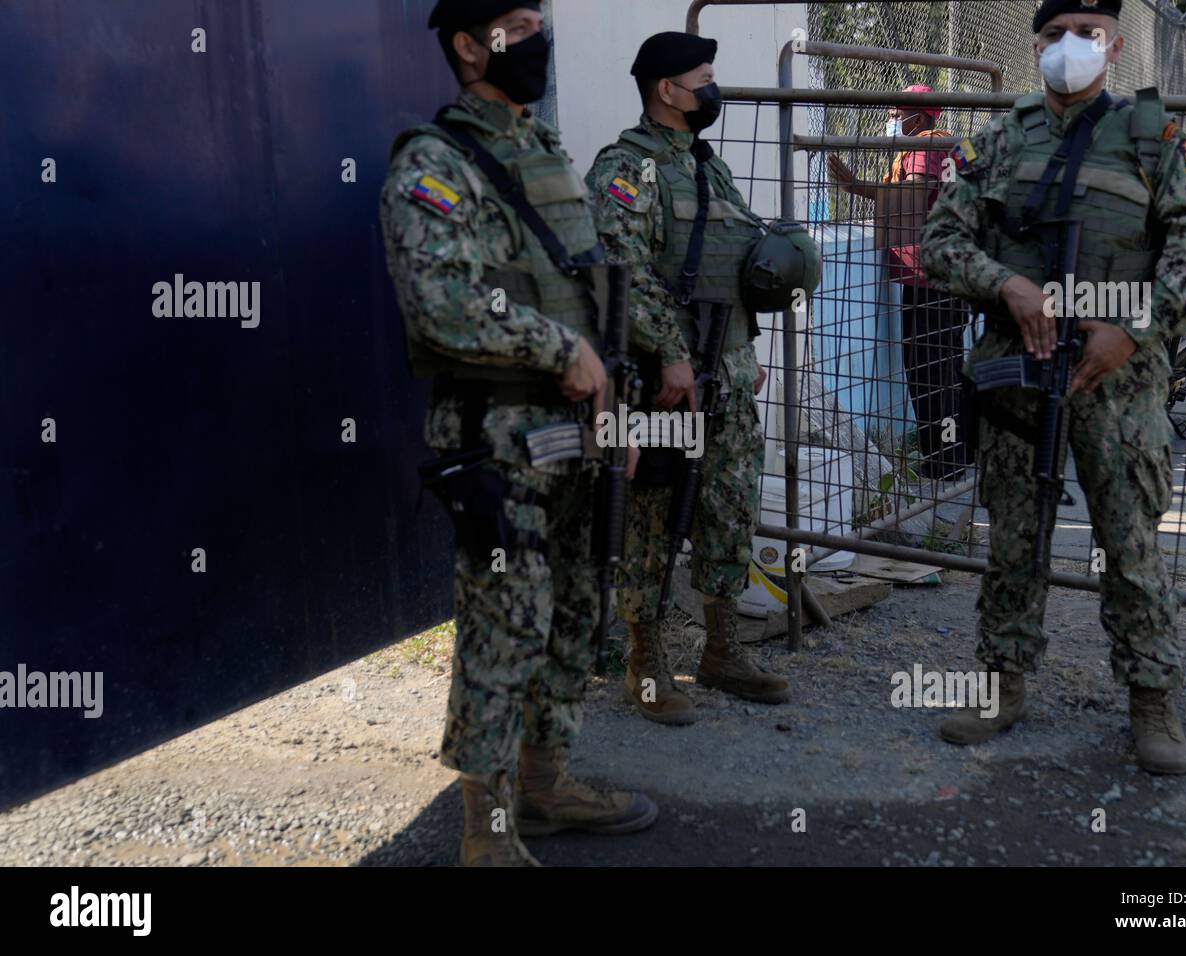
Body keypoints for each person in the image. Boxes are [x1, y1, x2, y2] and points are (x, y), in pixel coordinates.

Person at [378, 0, 657, 866]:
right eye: (518, 25)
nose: (539, 39)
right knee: (507, 623)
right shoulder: (435, 162)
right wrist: (558, 348)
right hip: (499, 438)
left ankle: (546, 782)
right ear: (469, 45)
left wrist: (614, 405)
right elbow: (441, 304)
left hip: (578, 428)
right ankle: (485, 830)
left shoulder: (543, 149)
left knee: (578, 608)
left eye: (541, 21)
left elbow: (584, 297)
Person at [920, 0, 1186, 774]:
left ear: (1115, 46)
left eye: (1088, 34)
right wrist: (1007, 286)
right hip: (1018, 375)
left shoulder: (1152, 138)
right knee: (1013, 545)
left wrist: (1136, 326)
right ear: (1036, 45)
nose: (1070, 48)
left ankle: (1152, 700)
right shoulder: (998, 137)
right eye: (1056, 34)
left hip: (1118, 381)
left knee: (1130, 550)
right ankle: (1002, 679)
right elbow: (941, 241)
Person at [585, 32, 794, 726]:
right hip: (663, 376)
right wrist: (672, 351)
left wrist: (746, 347)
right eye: (703, 78)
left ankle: (722, 649)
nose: (713, 89)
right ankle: (645, 662)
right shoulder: (627, 168)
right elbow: (619, 270)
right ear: (666, 90)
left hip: (727, 371)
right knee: (651, 517)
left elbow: (728, 262)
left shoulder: (710, 166)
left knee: (728, 507)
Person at [828, 86, 973, 480]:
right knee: (947, 366)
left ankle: (943, 462)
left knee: (928, 370)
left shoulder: (925, 146)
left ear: (918, 116)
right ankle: (958, 452)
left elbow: (915, 191)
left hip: (930, 279)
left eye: (896, 112)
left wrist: (859, 188)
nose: (891, 119)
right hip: (951, 274)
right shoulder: (950, 145)